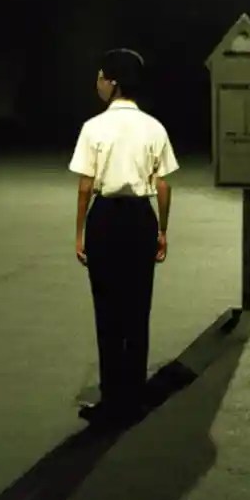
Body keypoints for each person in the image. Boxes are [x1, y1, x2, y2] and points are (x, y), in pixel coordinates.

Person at [68, 48, 179, 425]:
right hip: (140, 221)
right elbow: (162, 186)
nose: (97, 82)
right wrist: (161, 230)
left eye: (100, 76)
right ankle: (135, 399)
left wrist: (80, 233)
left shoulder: (94, 127)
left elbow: (86, 186)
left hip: (105, 221)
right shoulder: (154, 127)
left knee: (108, 311)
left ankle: (111, 400)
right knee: (137, 309)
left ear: (112, 82)